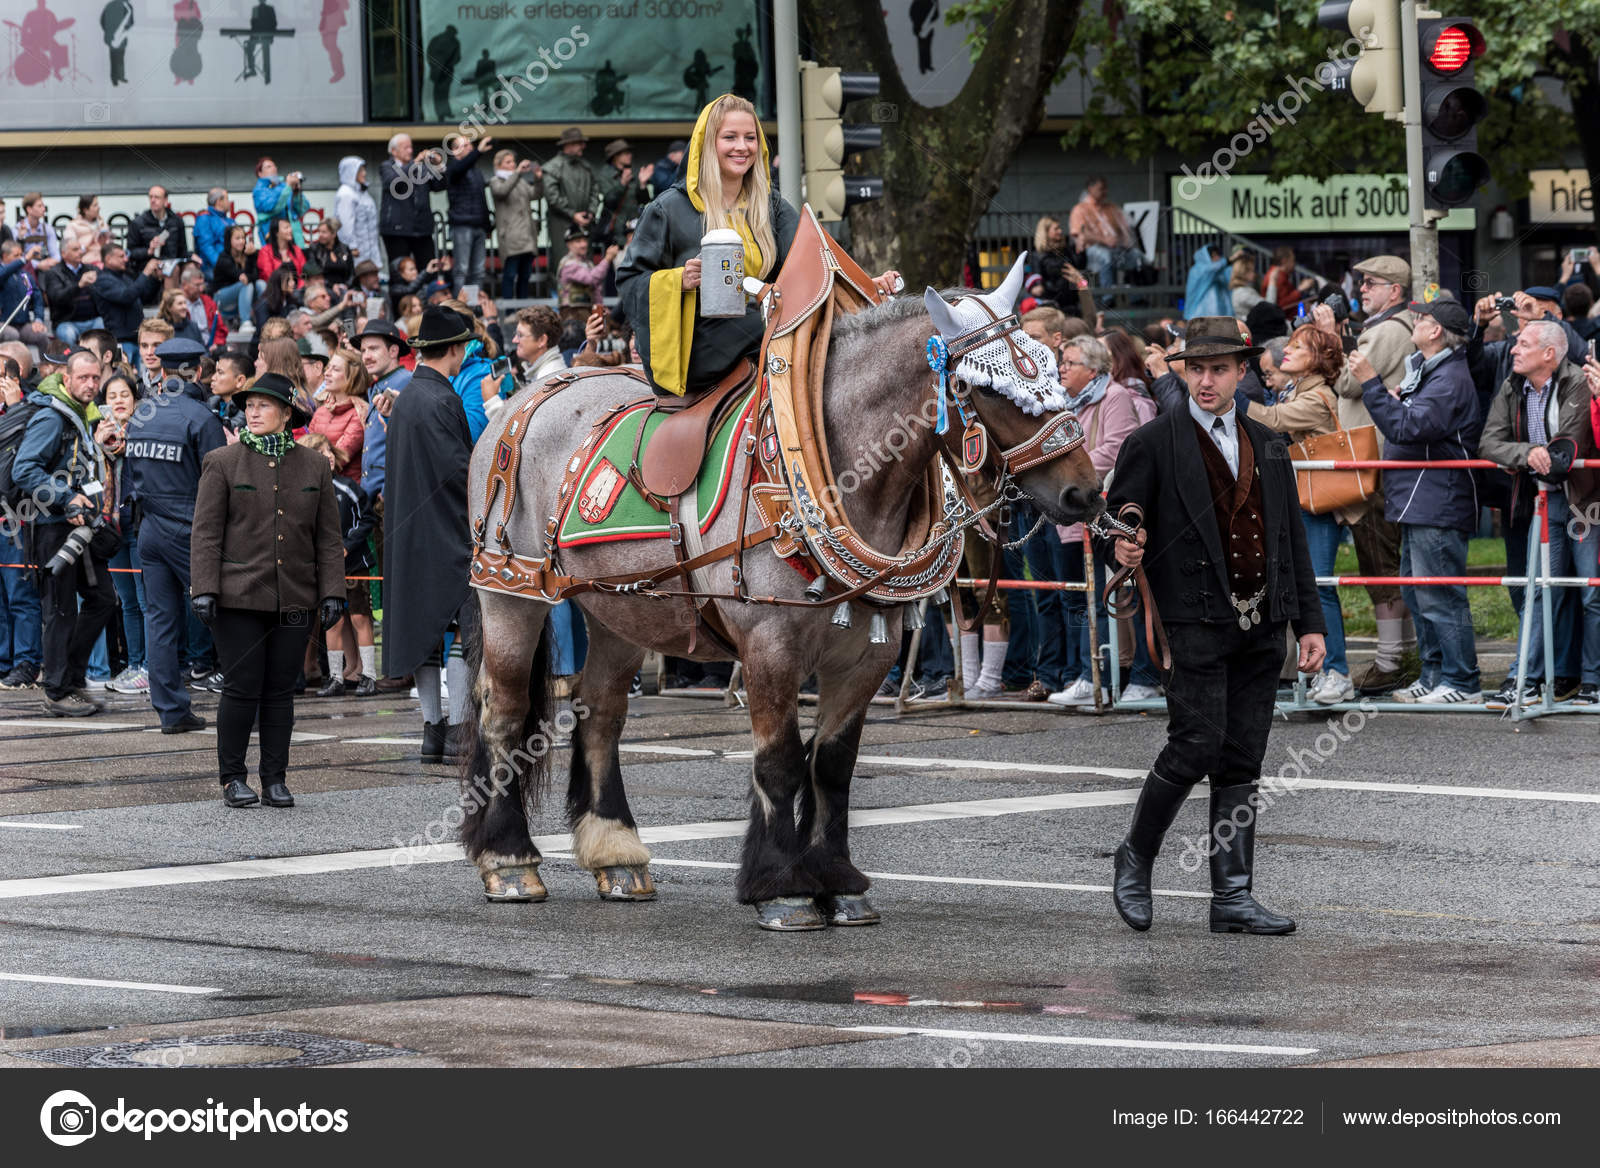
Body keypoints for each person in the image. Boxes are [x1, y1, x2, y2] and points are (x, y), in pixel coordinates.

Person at [1101, 317, 1324, 936]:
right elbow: (1116, 521)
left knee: (1242, 757)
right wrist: (1119, 547)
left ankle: (1232, 897)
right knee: (1195, 744)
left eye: (1218, 369)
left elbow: (1291, 539)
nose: (1205, 380)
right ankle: (1136, 856)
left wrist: (1310, 623)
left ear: (1241, 373)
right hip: (1189, 617)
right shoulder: (1152, 441)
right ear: (1183, 372)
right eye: (1195, 369)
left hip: (1262, 619)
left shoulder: (1268, 441)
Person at [618, 93, 899, 398]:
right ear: (708, 144)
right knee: (793, 333)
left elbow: (815, 260)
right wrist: (678, 281)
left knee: (830, 337)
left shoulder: (771, 205)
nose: (742, 147)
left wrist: (865, 287)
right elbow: (630, 280)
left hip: (765, 326)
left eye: (750, 137)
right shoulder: (668, 208)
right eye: (730, 137)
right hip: (700, 343)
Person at [191, 373, 344, 807]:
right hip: (237, 597)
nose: (252, 412)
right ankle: (233, 778)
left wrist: (332, 591)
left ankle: (275, 778)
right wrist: (204, 587)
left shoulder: (314, 465)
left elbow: (328, 537)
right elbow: (205, 533)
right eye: (249, 405)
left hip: (295, 597)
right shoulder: (222, 461)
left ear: (287, 413)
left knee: (280, 689)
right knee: (242, 686)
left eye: (263, 405)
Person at [1355, 297, 1485, 704]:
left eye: (1422, 317)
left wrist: (1370, 383)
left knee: (1440, 594)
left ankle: (1462, 681)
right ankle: (1433, 674)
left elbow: (1407, 427)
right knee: (1417, 592)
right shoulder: (1429, 371)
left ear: (1436, 332)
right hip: (1418, 498)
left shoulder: (1448, 379)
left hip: (1437, 499)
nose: (1415, 319)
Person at [1478, 319, 1598, 709]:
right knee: (1539, 589)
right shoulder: (1513, 386)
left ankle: (1593, 680)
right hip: (1542, 500)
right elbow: (1490, 442)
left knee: (1589, 594)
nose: (1513, 349)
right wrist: (1527, 453)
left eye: (1523, 343)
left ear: (1549, 353)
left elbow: (1568, 449)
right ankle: (1525, 679)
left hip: (1585, 501)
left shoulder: (1577, 381)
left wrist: (1541, 456)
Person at [1242, 324, 1356, 705]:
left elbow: (1271, 422)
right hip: (1301, 501)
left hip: (1317, 504)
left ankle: (1337, 672)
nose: (1286, 351)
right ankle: (1321, 670)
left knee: (1318, 586)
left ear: (1318, 359)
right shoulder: (1296, 391)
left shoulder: (1316, 396)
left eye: (1298, 347)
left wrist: (1232, 397)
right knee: (1305, 586)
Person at [382, 306, 477, 763]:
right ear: (455, 348)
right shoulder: (442, 398)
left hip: (407, 532)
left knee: (421, 632)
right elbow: (459, 472)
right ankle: (458, 730)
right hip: (446, 531)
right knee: (459, 625)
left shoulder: (406, 396)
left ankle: (431, 730)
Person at [1320, 255, 1417, 696]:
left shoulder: (1388, 330)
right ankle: (1405, 656)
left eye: (1372, 283)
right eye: (1363, 282)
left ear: (1394, 291)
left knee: (1379, 563)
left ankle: (1390, 661)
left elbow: (1347, 384)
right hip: (1375, 461)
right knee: (1383, 561)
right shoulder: (1387, 327)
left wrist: (1330, 337)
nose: (1362, 289)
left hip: (1374, 465)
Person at [121, 346, 227, 729]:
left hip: (149, 528)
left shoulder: (142, 417)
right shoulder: (202, 418)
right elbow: (219, 486)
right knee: (228, 612)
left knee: (160, 621)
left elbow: (130, 478)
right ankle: (249, 701)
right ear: (197, 372)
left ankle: (171, 712)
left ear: (164, 371)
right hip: (191, 529)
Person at [1047, 334, 1155, 706]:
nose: (1062, 368)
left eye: (1070, 362)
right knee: (1079, 600)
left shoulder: (1115, 397)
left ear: (1093, 368)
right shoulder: (1064, 403)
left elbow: (1118, 447)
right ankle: (1087, 675)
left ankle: (1140, 676)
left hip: (1103, 514)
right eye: (1062, 362)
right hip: (1070, 514)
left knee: (1121, 598)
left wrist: (1068, 471)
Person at [12, 351, 121, 717]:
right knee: (59, 610)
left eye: (96, 377)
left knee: (103, 599)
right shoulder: (51, 416)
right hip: (52, 529)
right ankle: (57, 691)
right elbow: (24, 470)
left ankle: (70, 679)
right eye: (84, 378)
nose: (91, 384)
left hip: (82, 525)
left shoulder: (83, 415)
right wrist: (65, 497)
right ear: (67, 379)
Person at [299, 431, 377, 697]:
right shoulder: (304, 493)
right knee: (333, 621)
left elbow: (367, 519)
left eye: (329, 451)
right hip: (325, 568)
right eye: (320, 454)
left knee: (359, 617)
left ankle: (369, 675)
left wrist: (346, 545)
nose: (327, 457)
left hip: (354, 564)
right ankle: (335, 677)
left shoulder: (347, 488)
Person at [0, 357, 43, 691]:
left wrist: (14, 406)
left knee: (20, 595)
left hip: (16, 518)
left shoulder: (29, 412)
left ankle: (26, 662)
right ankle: (3, 661)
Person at [379, 134, 445, 267]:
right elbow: (393, 183)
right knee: (399, 270)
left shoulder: (420, 167)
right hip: (397, 231)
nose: (410, 150)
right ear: (394, 151)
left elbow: (439, 186)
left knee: (428, 268)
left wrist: (439, 166)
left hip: (422, 229)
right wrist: (415, 163)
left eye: (411, 147)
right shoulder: (386, 166)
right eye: (405, 148)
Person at [1067, 176, 1143, 290]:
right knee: (1105, 256)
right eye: (1101, 188)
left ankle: (1136, 297)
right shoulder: (1080, 209)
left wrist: (1122, 241)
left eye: (1105, 188)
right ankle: (1108, 296)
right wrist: (1104, 240)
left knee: (1136, 256)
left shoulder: (1111, 208)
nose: (1105, 192)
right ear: (1090, 188)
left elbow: (1123, 230)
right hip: (1091, 250)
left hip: (1116, 248)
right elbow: (1080, 234)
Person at [307, 345, 367, 482]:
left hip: (344, 493)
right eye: (328, 368)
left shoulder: (359, 413)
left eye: (335, 369)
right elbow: (306, 448)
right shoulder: (322, 410)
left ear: (351, 376)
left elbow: (337, 459)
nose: (327, 373)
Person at [489, 149, 542, 299]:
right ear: (498, 165)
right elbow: (501, 192)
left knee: (525, 275)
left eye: (513, 161)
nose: (513, 164)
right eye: (508, 162)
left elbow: (536, 194)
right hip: (511, 237)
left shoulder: (520, 181)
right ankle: (509, 311)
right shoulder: (495, 181)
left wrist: (538, 179)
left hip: (527, 235)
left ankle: (522, 309)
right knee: (510, 275)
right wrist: (517, 173)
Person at [542, 127, 600, 261]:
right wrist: (573, 214)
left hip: (585, 224)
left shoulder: (586, 167)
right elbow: (552, 197)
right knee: (565, 263)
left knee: (587, 264)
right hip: (562, 226)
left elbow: (595, 191)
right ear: (569, 145)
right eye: (580, 143)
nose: (583, 146)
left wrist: (591, 212)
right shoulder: (552, 167)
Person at [444, 133, 492, 294]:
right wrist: (478, 152)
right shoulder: (452, 168)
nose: (470, 148)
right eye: (465, 146)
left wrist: (488, 226)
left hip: (478, 225)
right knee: (461, 270)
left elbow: (482, 199)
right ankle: (460, 310)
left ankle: (475, 309)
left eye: (470, 145)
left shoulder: (476, 171)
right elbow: (460, 167)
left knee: (478, 271)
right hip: (462, 225)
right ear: (455, 150)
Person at [43, 237, 103, 346]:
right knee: (67, 334)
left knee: (104, 327)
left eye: (80, 249)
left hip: (93, 320)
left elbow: (106, 292)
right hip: (66, 322)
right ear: (64, 253)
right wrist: (79, 285)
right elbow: (57, 297)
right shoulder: (53, 273)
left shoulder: (91, 269)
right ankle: (73, 362)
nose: (80, 252)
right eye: (75, 250)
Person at [598, 138, 653, 246]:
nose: (630, 156)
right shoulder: (605, 175)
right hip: (615, 230)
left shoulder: (630, 173)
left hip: (633, 227)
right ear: (615, 156)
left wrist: (642, 184)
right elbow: (609, 201)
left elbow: (644, 200)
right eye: (626, 153)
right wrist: (622, 184)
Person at [555, 227, 617, 320]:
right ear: (569, 244)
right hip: (572, 312)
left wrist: (600, 307)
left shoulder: (588, 263)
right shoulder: (569, 264)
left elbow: (595, 289)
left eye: (585, 240)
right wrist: (607, 259)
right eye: (578, 241)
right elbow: (591, 279)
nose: (583, 244)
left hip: (587, 310)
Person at [334, 156, 381, 274]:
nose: (364, 173)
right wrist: (351, 247)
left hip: (370, 252)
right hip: (356, 253)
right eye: (360, 170)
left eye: (364, 170)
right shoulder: (346, 193)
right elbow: (345, 224)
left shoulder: (362, 192)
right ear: (350, 172)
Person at [0, 240, 49, 349]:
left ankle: (46, 365)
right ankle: (12, 366)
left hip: (22, 324)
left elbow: (37, 298)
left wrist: (38, 319)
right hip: (3, 323)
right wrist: (24, 259)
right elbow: (3, 273)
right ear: (4, 256)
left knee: (42, 336)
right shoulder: (2, 272)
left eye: (21, 255)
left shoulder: (25, 274)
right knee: (13, 335)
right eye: (16, 255)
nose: (20, 258)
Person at [252, 158, 310, 248]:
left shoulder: (284, 186)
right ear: (260, 173)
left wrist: (296, 193)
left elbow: (303, 209)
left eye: (274, 166)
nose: (273, 168)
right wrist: (287, 187)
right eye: (268, 167)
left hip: (293, 237)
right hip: (272, 237)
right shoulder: (259, 190)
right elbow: (272, 207)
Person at [126, 186, 189, 269]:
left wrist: (190, 258)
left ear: (165, 201)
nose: (153, 200)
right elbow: (131, 252)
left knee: (191, 269)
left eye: (157, 197)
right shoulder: (138, 223)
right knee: (171, 271)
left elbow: (183, 249)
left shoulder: (176, 221)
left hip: (173, 262)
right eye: (150, 197)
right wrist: (149, 250)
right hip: (147, 265)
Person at [211, 225, 261, 328]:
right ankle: (245, 322)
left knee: (261, 284)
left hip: (241, 293)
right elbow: (243, 278)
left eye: (243, 238)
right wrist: (251, 257)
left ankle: (261, 318)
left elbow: (255, 276)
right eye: (237, 238)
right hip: (221, 297)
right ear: (229, 240)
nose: (242, 241)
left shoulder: (247, 254)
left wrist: (251, 257)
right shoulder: (224, 258)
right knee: (245, 285)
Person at [512, 304, 567, 387]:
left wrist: (493, 399)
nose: (514, 340)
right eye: (516, 334)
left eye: (520, 335)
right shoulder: (546, 373)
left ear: (541, 340)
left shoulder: (548, 380)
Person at [179, 264, 227, 350]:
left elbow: (220, 328)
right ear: (184, 285)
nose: (201, 289)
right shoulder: (177, 305)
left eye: (202, 285)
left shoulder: (209, 302)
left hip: (210, 348)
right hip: (187, 348)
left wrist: (216, 343)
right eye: (197, 285)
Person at [193, 188, 233, 280]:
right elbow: (207, 248)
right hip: (212, 269)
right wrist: (223, 266)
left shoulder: (230, 221)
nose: (229, 202)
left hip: (232, 266)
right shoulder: (204, 219)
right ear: (219, 201)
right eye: (227, 199)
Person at [1184, 243, 1232, 318]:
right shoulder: (1197, 270)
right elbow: (1211, 269)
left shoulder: (1220, 272)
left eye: (1218, 255)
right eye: (1213, 256)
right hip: (1198, 315)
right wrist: (1228, 260)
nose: (1217, 258)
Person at [257, 217, 306, 287]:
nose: (290, 230)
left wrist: (298, 289)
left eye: (290, 227)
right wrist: (286, 286)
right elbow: (268, 275)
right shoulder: (265, 251)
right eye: (286, 228)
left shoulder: (297, 250)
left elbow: (304, 273)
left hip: (297, 291)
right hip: (275, 291)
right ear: (276, 232)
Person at [306, 217, 354, 288]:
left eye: (324, 232)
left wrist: (346, 286)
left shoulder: (344, 249)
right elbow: (315, 275)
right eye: (319, 231)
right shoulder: (314, 249)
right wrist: (332, 286)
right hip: (323, 287)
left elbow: (351, 273)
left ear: (333, 234)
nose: (320, 234)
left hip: (344, 287)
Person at [62, 195, 109, 267]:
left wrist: (104, 243)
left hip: (104, 262)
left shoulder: (102, 224)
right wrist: (90, 241)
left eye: (98, 205)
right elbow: (70, 249)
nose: (98, 208)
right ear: (85, 210)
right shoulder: (73, 225)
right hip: (84, 263)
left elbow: (109, 248)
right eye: (95, 205)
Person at [1229, 248, 1263, 317]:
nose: (1254, 274)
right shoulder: (1243, 293)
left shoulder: (1241, 290)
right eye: (1252, 271)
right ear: (1243, 273)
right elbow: (1271, 307)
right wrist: (1272, 283)